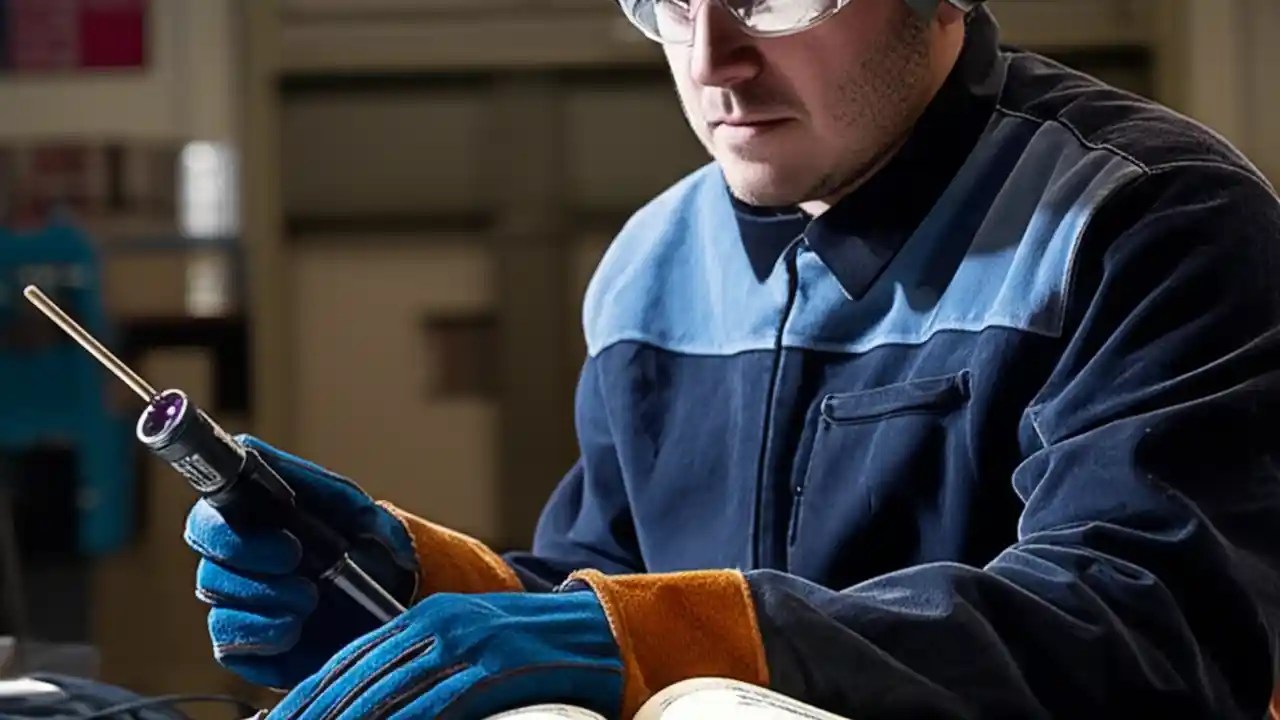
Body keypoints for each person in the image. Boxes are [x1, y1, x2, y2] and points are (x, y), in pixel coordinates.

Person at [183, 0, 1280, 718]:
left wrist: (659, 637)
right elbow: (607, 590)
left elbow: (1151, 632)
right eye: (669, 1)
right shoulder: (653, 259)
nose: (712, 61)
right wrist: (398, 588)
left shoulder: (1146, 222)